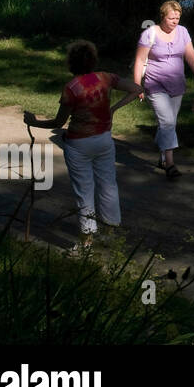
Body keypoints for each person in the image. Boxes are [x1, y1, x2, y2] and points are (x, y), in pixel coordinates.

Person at [24, 40, 143, 248]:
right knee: (108, 185)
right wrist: (113, 109)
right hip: (104, 140)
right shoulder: (106, 78)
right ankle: (110, 233)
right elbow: (136, 88)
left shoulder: (71, 88)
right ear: (93, 60)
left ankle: (86, 242)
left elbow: (59, 122)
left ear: (71, 63)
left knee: (84, 191)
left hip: (78, 144)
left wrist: (34, 122)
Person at [132, 0, 194, 179]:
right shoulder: (150, 34)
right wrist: (136, 85)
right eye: (171, 18)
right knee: (167, 122)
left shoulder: (183, 32)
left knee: (169, 122)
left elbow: (191, 57)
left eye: (177, 18)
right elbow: (140, 60)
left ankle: (163, 155)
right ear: (162, 17)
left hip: (177, 85)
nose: (175, 21)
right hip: (155, 84)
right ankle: (170, 164)